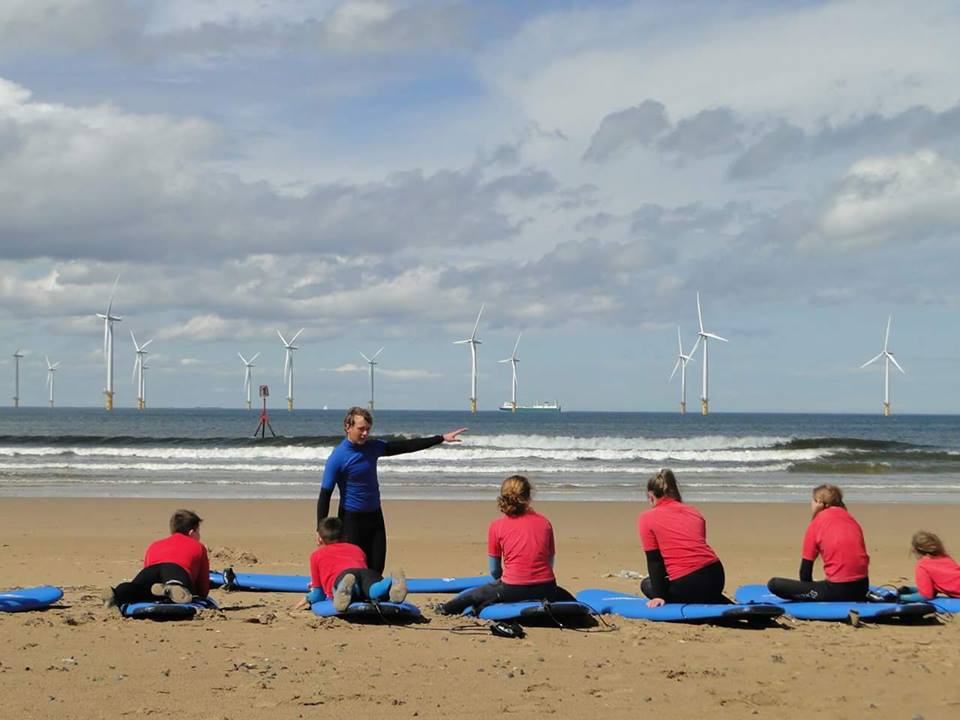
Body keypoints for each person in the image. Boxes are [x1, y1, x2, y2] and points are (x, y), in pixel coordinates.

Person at [317, 407, 466, 574]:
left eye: (368, 429)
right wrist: (321, 531)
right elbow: (325, 496)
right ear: (347, 426)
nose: (365, 434)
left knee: (377, 568)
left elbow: (405, 446)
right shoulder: (337, 458)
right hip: (351, 520)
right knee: (355, 569)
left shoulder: (372, 447)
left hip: (375, 517)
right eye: (361, 429)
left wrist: (441, 438)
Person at [434, 475, 574, 616]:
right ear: (529, 496)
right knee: (566, 597)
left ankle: (445, 609)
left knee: (475, 595)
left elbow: (495, 570)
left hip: (512, 589)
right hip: (547, 588)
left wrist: (505, 585)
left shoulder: (497, 526)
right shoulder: (545, 523)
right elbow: (549, 562)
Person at [638, 468, 728, 607]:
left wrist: (658, 595)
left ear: (650, 495)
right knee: (696, 587)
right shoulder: (693, 511)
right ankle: (713, 598)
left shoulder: (646, 518)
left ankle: (698, 598)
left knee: (646, 584)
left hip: (688, 582)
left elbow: (655, 560)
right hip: (716, 576)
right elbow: (695, 550)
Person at [767, 484, 869, 602]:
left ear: (819, 502)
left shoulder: (816, 523)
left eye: (813, 500)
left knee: (774, 584)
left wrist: (809, 588)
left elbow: (805, 572)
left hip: (838, 591)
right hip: (862, 588)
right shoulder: (851, 519)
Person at [294, 517, 407, 612]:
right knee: (371, 590)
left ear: (319, 539)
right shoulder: (357, 549)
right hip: (367, 574)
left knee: (346, 587)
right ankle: (390, 581)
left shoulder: (316, 555)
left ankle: (346, 588)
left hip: (342, 576)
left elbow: (318, 594)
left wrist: (307, 599)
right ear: (345, 536)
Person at [102, 509, 210, 607]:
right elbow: (203, 586)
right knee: (178, 586)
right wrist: (198, 595)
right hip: (176, 570)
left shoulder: (154, 545)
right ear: (192, 532)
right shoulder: (198, 547)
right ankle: (170, 588)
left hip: (151, 571)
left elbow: (146, 568)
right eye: (198, 531)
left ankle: (118, 593)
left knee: (138, 588)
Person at [897, 531, 960, 602]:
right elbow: (937, 586)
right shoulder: (945, 557)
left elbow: (925, 596)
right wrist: (910, 590)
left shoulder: (923, 566)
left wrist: (900, 597)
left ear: (915, 550)